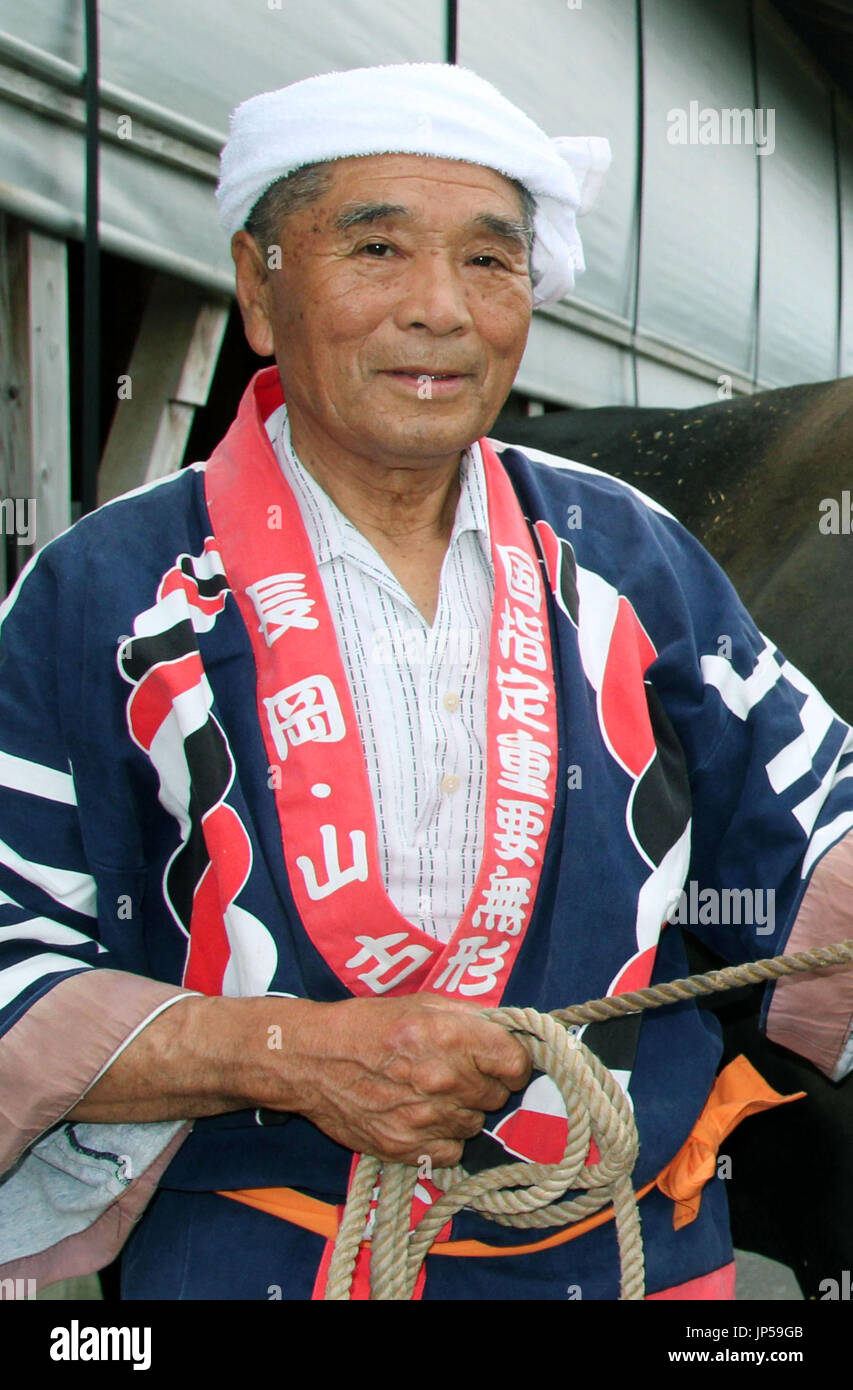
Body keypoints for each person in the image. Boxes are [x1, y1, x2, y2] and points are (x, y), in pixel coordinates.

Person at [1, 62, 852, 1302]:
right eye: (377, 250)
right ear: (257, 285)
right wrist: (287, 1053)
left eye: (489, 263)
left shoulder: (624, 558)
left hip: (632, 1256)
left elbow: (811, 829)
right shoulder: (105, 592)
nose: (438, 310)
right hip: (268, 1259)